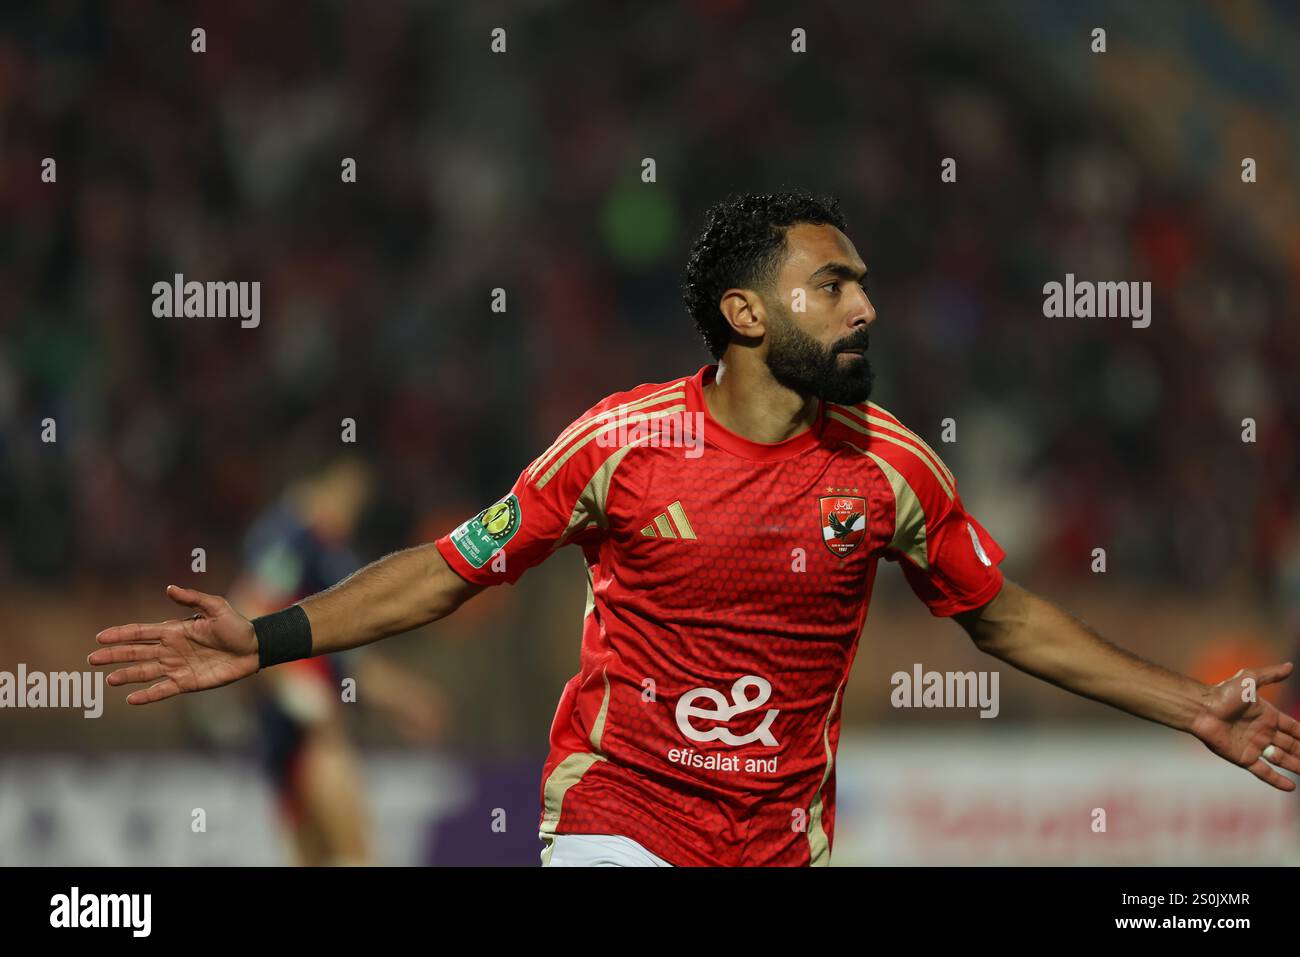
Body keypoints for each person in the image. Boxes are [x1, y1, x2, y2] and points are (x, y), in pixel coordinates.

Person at [90, 190, 1299, 867]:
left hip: (782, 847)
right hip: (619, 822)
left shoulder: (890, 472)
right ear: (744, 312)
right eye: (834, 285)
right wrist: (267, 639)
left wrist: (1190, 708)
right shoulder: (619, 444)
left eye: (864, 282)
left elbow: (1009, 621)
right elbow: (449, 571)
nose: (866, 304)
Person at [228, 453, 446, 865]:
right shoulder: (291, 536)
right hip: (309, 731)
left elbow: (351, 662)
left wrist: (405, 699)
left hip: (292, 735)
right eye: (352, 497)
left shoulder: (329, 554)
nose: (353, 511)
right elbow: (248, 608)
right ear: (331, 484)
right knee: (354, 853)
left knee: (318, 857)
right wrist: (297, 690)